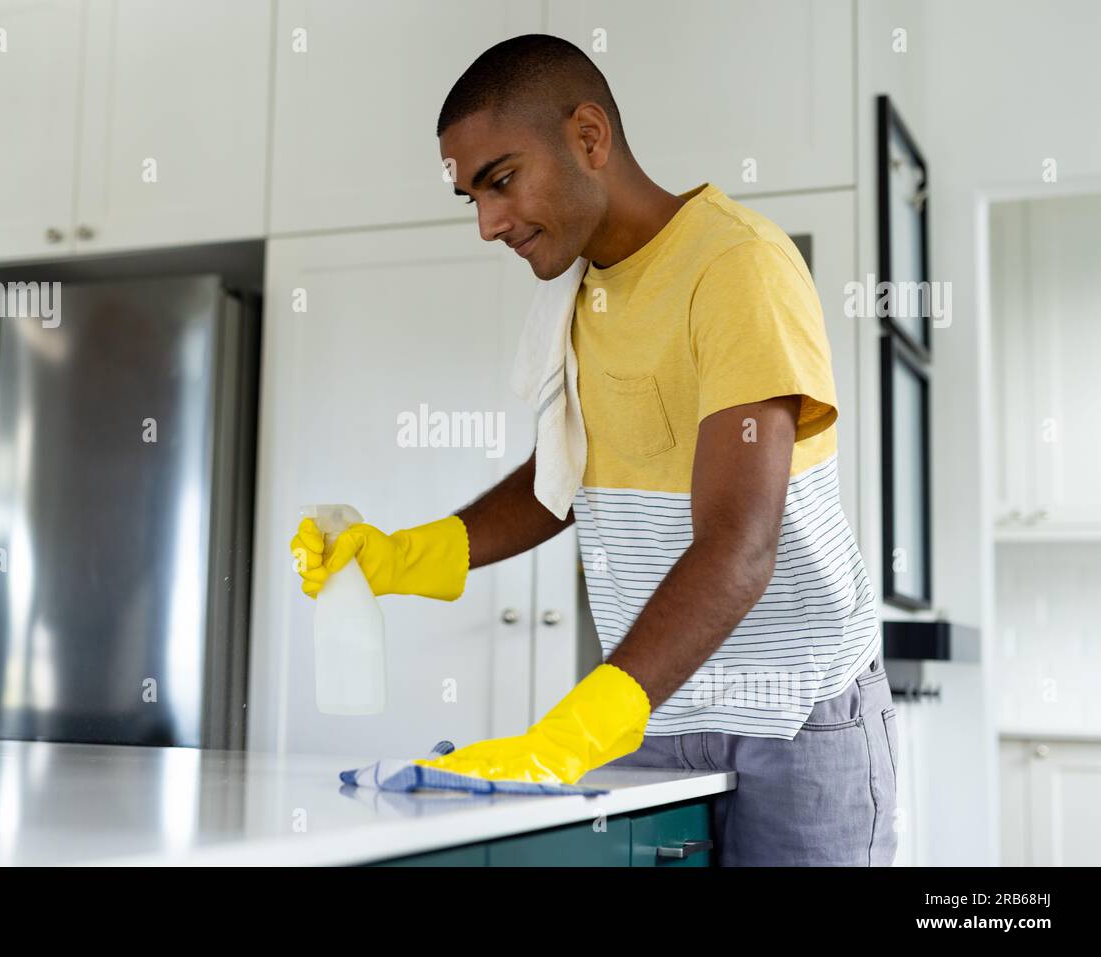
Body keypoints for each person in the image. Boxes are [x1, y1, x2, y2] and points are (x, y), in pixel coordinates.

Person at [290, 34, 898, 866]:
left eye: (500, 180)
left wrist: (575, 731)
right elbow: (568, 477)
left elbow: (741, 544)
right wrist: (405, 557)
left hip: (793, 717)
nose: (487, 223)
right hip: (662, 711)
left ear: (589, 136)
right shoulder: (581, 290)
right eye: (471, 195)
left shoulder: (737, 267)